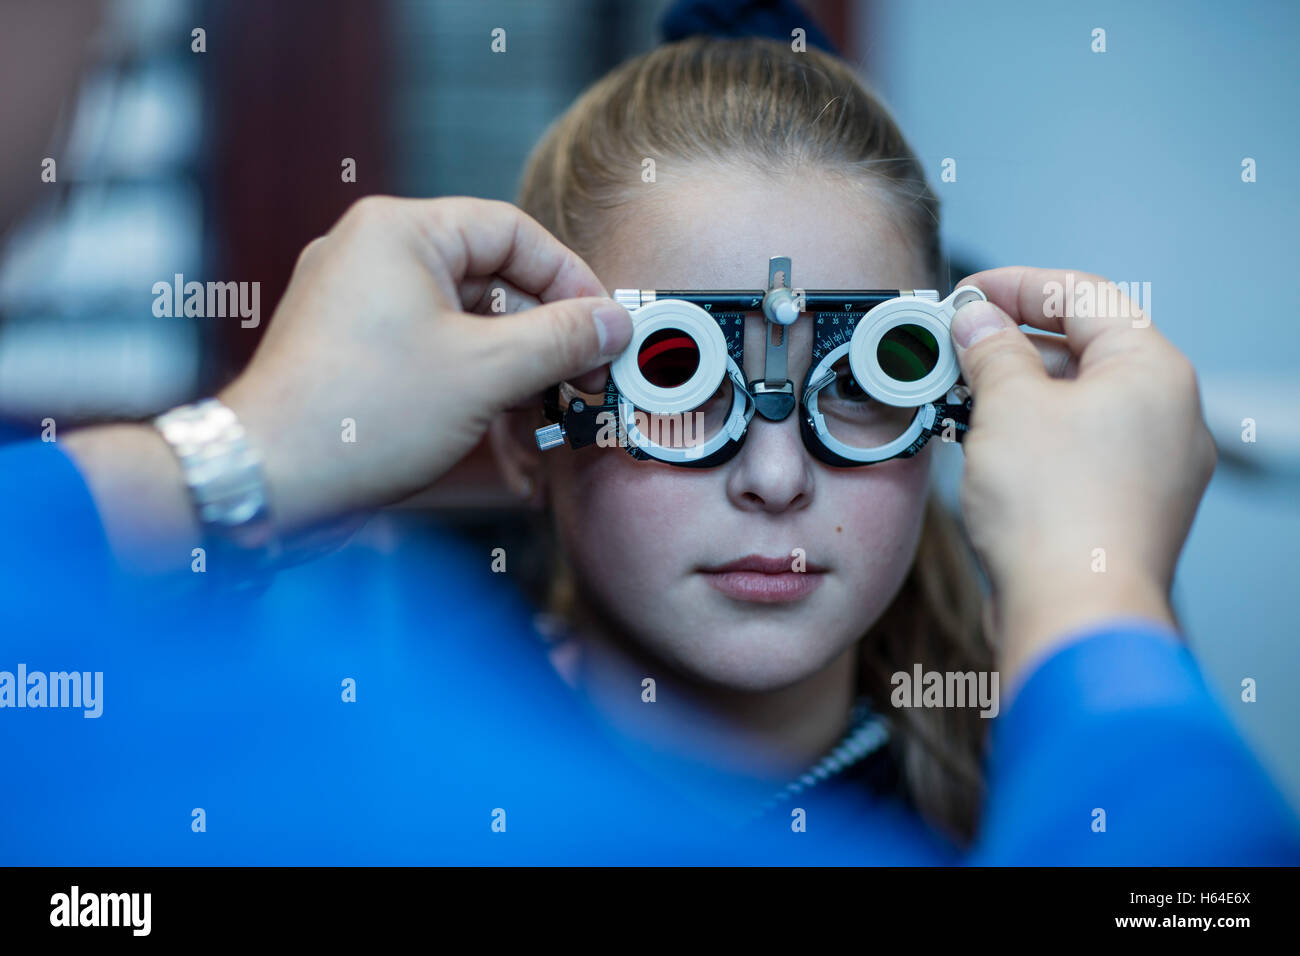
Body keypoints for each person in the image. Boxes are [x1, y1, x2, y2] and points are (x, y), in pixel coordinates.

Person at [2, 31, 1297, 866]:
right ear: (523, 425)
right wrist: (1100, 588)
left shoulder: (1011, 787)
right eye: (676, 373)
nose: (778, 478)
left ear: (950, 406)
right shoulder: (346, 743)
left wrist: (235, 454)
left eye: (865, 386)